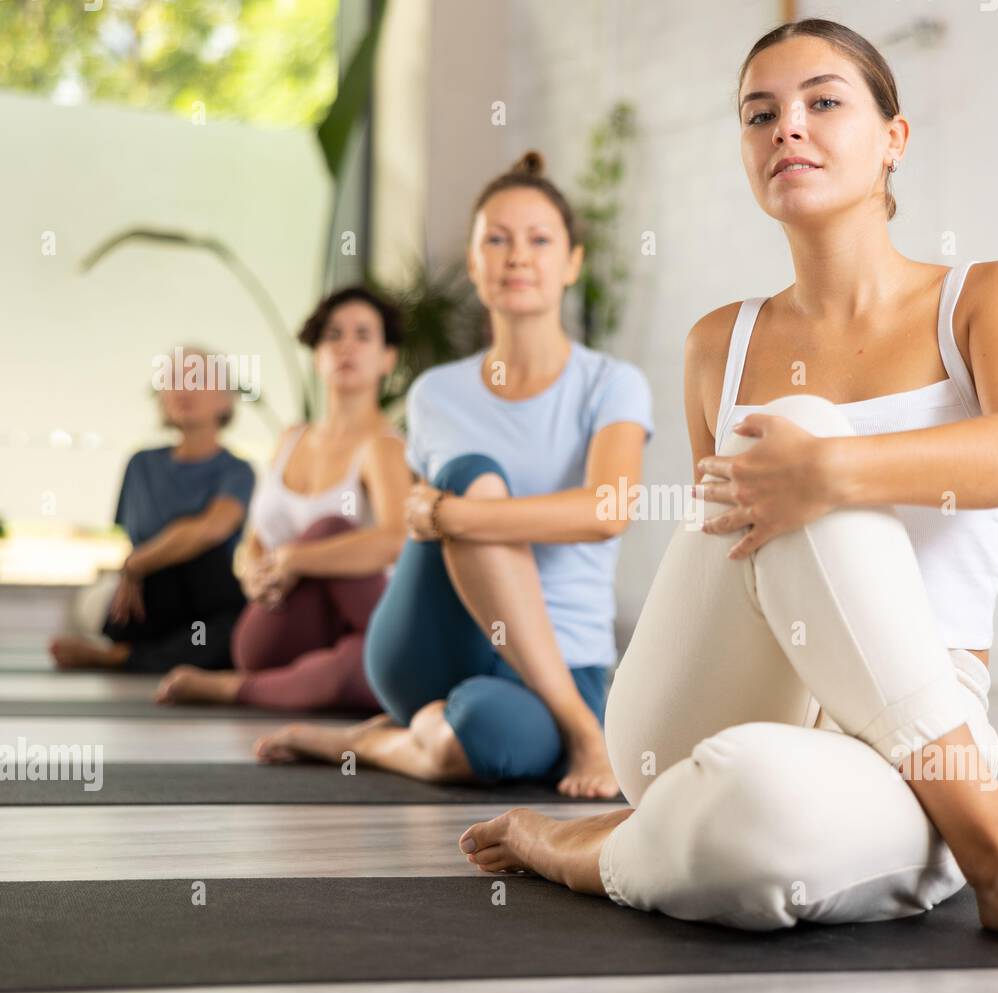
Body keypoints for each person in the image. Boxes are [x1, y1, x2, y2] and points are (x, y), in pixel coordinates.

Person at [455, 19, 998, 964]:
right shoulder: (719, 343)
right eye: (760, 114)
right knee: (790, 428)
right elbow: (729, 563)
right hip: (707, 705)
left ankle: (598, 850)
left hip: (923, 723)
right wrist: (810, 458)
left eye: (823, 102)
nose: (787, 127)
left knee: (757, 821)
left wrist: (831, 474)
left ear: (893, 141)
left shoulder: (990, 296)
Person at [251, 151, 654, 800]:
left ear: (571, 261)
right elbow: (417, 531)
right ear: (473, 262)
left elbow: (607, 509)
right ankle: (583, 729)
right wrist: (443, 511)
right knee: (470, 470)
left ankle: (366, 741)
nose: (517, 256)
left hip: (567, 656)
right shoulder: (434, 393)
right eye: (496, 239)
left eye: (539, 240)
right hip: (434, 646)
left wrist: (458, 516)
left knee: (484, 739)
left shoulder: (611, 384)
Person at [155, 287, 410, 712]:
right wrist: (253, 571)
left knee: (356, 659)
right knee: (383, 665)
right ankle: (312, 678)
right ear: (317, 354)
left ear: (388, 358)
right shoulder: (291, 439)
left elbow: (396, 540)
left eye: (363, 335)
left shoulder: (384, 447)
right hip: (276, 627)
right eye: (333, 334)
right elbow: (254, 538)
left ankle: (236, 689)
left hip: (365, 619)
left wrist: (297, 558)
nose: (347, 345)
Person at [49, 347, 253, 673]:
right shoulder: (141, 464)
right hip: (148, 601)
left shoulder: (238, 471)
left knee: (229, 625)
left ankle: (120, 657)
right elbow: (137, 536)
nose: (183, 388)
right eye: (173, 379)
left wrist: (138, 562)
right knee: (206, 623)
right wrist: (141, 564)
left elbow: (212, 529)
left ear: (226, 400)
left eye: (197, 378)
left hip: (201, 610)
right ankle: (148, 654)